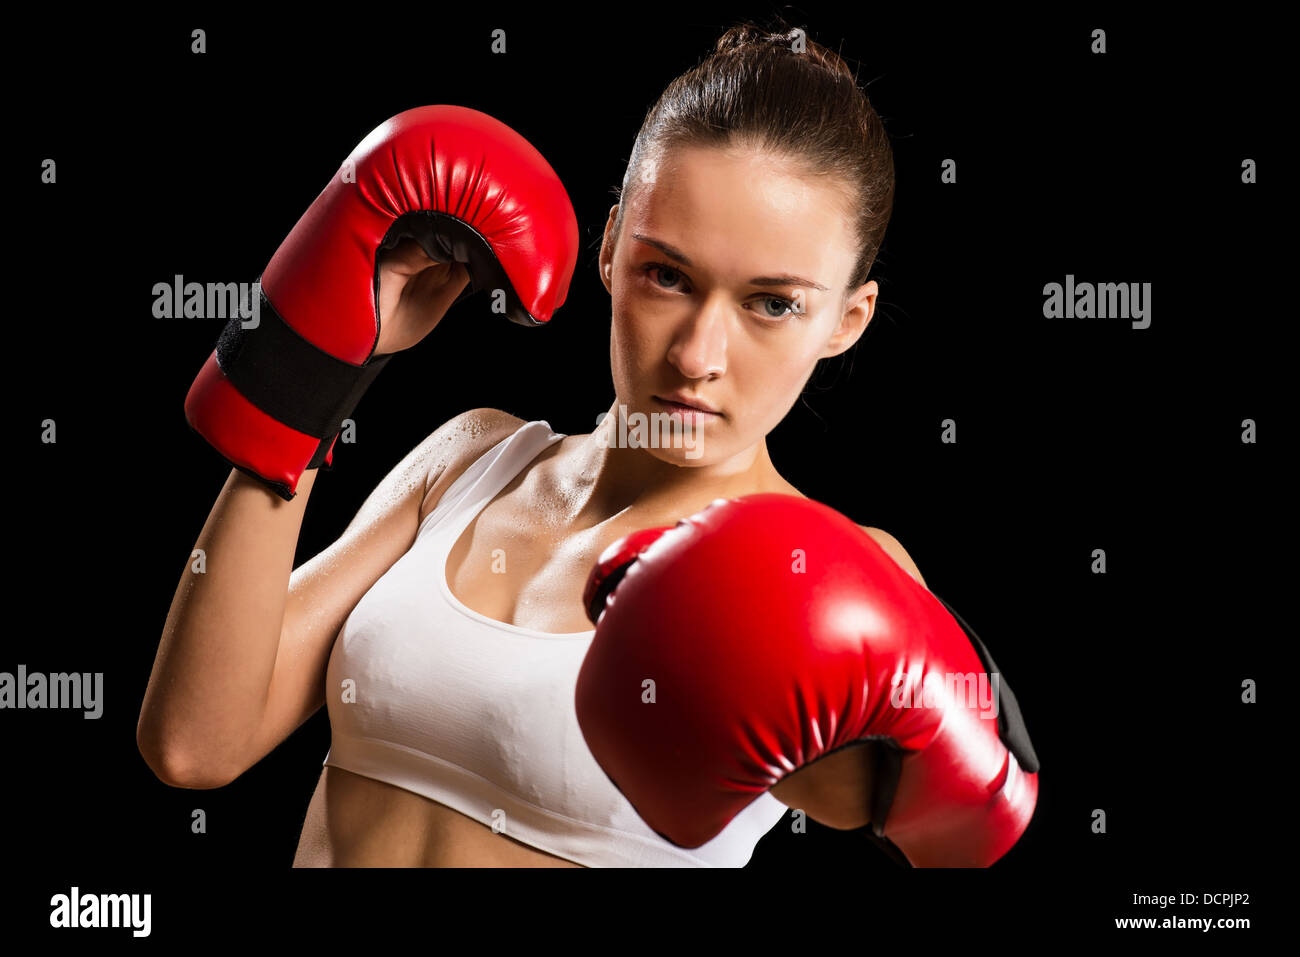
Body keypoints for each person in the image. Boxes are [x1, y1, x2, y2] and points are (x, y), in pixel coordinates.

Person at [139, 20, 951, 867]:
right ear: (607, 249)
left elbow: (950, 822)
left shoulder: (830, 571)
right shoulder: (472, 459)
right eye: (666, 275)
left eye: (772, 303)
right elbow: (194, 742)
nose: (697, 356)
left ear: (846, 322)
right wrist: (315, 366)